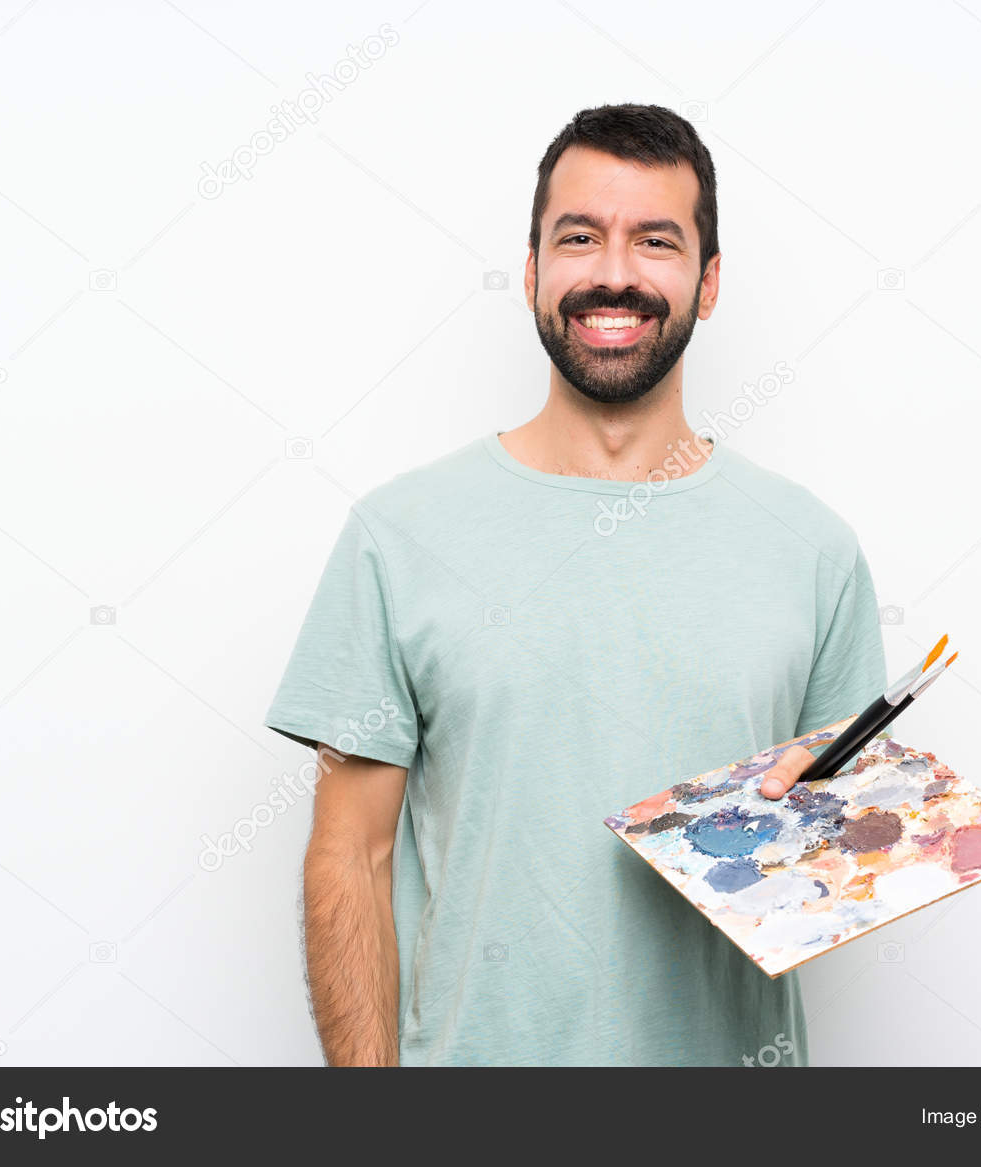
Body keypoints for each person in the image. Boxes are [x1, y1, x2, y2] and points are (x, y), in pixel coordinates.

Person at [266, 103, 887, 1066]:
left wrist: (822, 833)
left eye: (656, 241)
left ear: (709, 282)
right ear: (531, 272)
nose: (614, 273)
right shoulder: (399, 536)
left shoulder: (811, 550)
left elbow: (851, 868)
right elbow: (352, 855)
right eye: (580, 237)